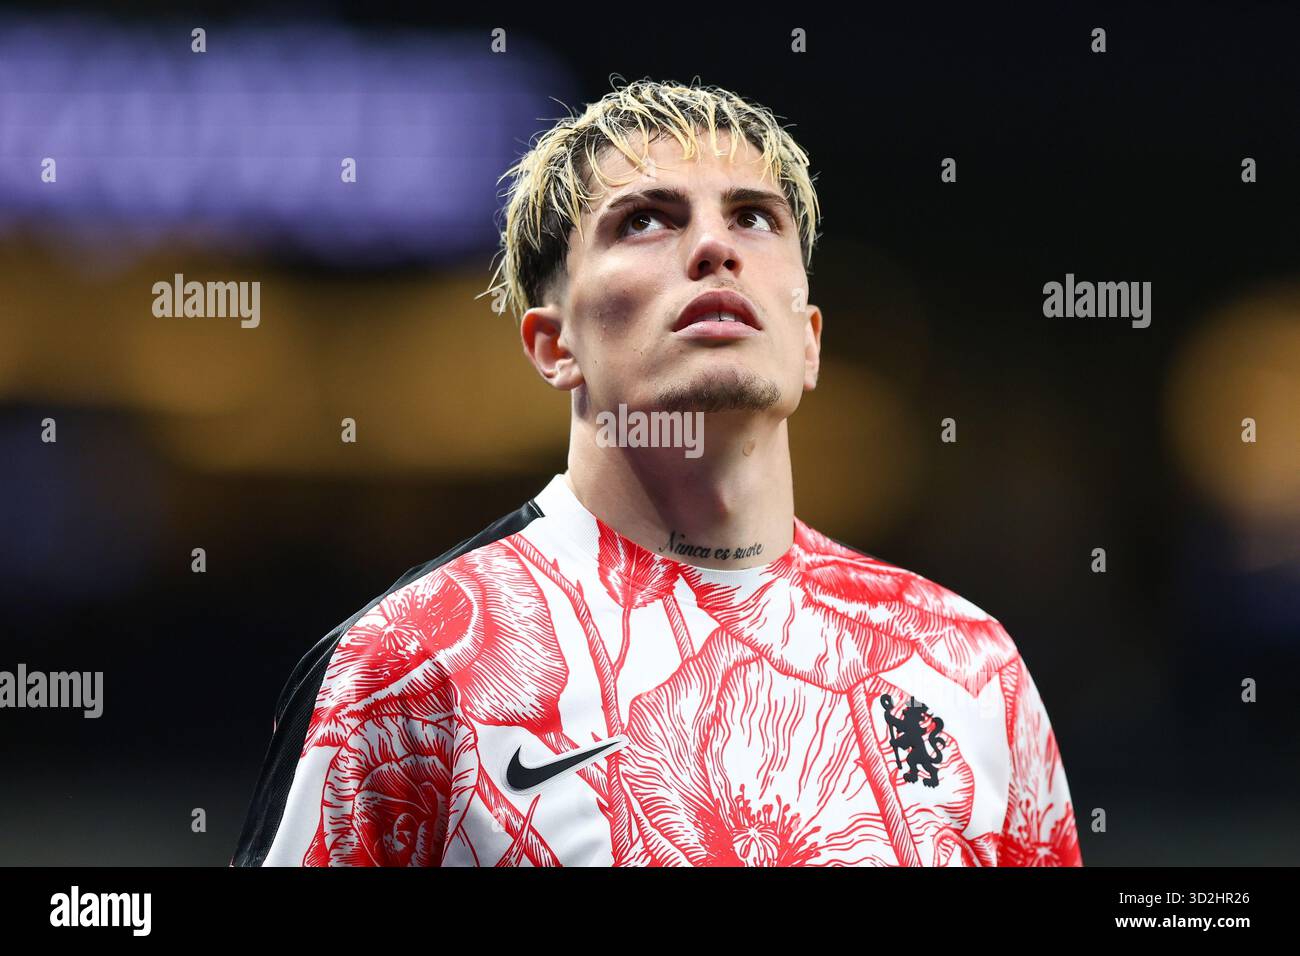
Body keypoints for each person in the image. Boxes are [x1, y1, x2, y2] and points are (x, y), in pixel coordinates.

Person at [231, 78, 1082, 867]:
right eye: (645, 219)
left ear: (811, 338)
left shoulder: (968, 666)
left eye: (755, 217)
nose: (715, 246)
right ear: (553, 344)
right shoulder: (410, 669)